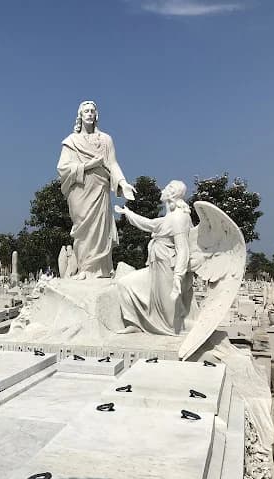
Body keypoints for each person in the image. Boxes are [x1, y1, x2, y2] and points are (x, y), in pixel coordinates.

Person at [57, 101, 136, 279]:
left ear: (96, 115)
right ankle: (84, 268)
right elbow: (63, 168)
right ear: (80, 115)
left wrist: (123, 183)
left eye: (92, 111)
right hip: (80, 189)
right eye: (86, 111)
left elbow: (113, 163)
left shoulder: (106, 139)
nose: (90, 114)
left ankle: (99, 270)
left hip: (100, 187)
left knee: (99, 228)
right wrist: (89, 165)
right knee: (83, 228)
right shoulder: (71, 141)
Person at [113, 180, 195, 335]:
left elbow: (183, 249)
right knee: (125, 284)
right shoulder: (168, 218)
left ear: (172, 194)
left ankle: (198, 329)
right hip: (156, 268)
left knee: (171, 321)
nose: (163, 189)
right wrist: (128, 213)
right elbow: (149, 224)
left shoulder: (179, 218)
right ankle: (135, 323)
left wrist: (178, 277)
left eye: (167, 187)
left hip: (168, 271)